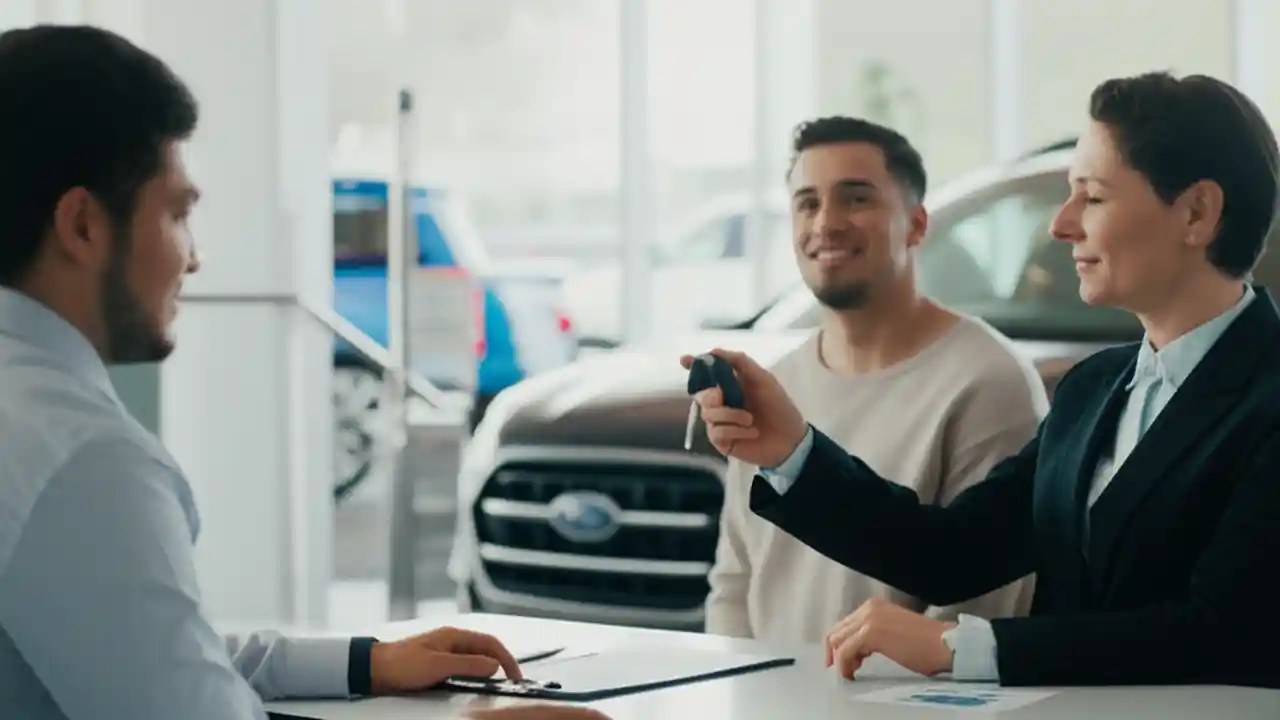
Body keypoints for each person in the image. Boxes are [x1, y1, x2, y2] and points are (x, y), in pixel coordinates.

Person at [0, 24, 607, 720]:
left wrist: (365, 661)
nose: (191, 259)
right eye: (176, 214)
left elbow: (141, 647)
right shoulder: (82, 459)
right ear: (82, 226)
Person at [687, 71, 1280, 688]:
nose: (1061, 224)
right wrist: (791, 451)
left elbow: (1219, 632)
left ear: (1196, 212)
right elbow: (954, 550)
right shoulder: (1095, 389)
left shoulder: (1267, 395)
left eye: (1093, 197)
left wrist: (960, 646)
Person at [705, 117, 1042, 643]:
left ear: (916, 224)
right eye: (807, 203)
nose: (826, 223)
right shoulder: (774, 387)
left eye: (856, 199)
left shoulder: (989, 382)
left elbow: (979, 610)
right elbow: (733, 585)